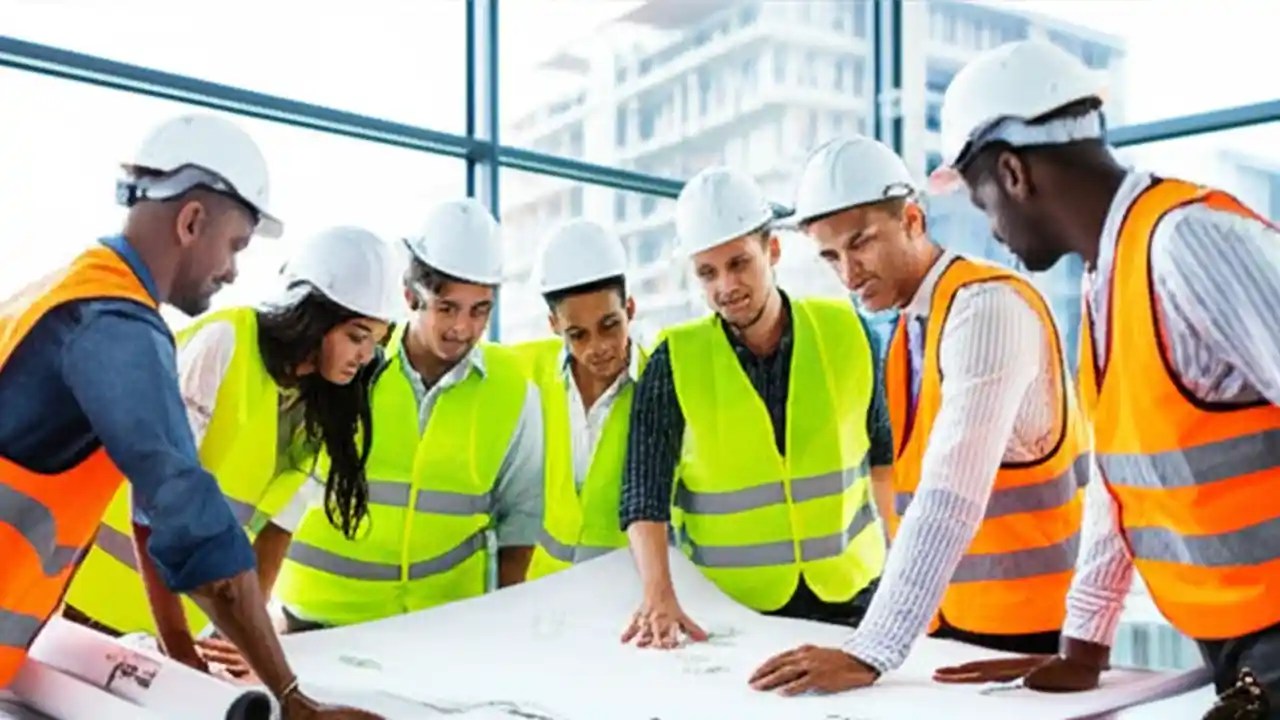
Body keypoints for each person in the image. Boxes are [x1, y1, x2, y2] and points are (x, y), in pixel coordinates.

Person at [928, 39, 1280, 720]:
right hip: (1235, 644)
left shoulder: (1187, 242)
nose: (990, 229)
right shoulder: (1108, 280)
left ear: (1013, 173)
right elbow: (1122, 484)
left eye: (981, 201)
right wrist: (1084, 645)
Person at [0, 112, 379, 719]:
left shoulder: (66, 293)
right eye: (234, 246)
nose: (232, 271)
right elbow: (187, 520)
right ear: (192, 221)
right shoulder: (114, 328)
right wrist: (292, 700)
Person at [748, 135, 1088, 695]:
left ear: (911, 219)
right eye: (831, 256)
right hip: (946, 633)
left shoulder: (986, 310)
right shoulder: (912, 326)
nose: (848, 274)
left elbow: (947, 496)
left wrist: (872, 649)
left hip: (1025, 640)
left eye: (861, 244)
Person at [62, 226, 401, 673]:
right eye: (356, 336)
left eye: (375, 343)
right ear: (313, 316)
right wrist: (178, 644)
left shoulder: (319, 411)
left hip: (162, 628)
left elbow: (274, 536)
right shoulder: (226, 342)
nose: (364, 356)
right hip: (78, 598)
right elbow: (151, 506)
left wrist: (239, 640)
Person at [619, 166, 894, 649]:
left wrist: (903, 571)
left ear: (773, 251)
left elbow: (885, 459)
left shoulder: (848, 331)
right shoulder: (673, 360)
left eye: (739, 263)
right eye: (708, 272)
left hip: (855, 597)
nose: (726, 286)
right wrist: (658, 593)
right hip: (732, 610)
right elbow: (644, 493)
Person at [273, 199, 545, 630]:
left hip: (441, 628)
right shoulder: (352, 365)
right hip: (319, 619)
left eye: (480, 310)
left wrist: (503, 625)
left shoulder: (514, 388)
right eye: (447, 307)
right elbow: (276, 494)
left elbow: (522, 516)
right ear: (409, 296)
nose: (463, 328)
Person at [515, 220, 645, 579]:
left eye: (609, 326)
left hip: (630, 600)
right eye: (577, 335)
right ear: (554, 325)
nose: (597, 348)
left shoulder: (659, 384)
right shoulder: (524, 374)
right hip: (542, 599)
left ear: (630, 309)